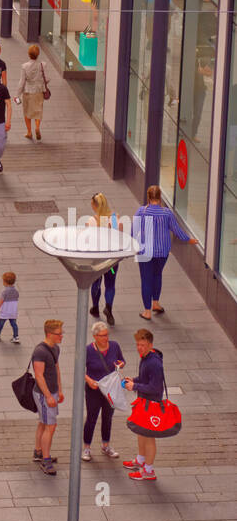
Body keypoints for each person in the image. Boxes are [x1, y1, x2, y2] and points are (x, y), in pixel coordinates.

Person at [131, 184, 198, 319]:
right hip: (162, 252)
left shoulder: (141, 212)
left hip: (145, 252)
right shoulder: (167, 213)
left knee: (146, 279)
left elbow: (133, 232)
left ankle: (147, 311)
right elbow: (177, 230)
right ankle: (156, 303)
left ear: (148, 197)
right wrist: (189, 240)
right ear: (160, 197)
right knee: (157, 275)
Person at [123, 327, 167, 480]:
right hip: (144, 402)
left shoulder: (154, 363)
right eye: (137, 344)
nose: (139, 348)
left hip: (151, 404)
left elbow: (155, 387)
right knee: (141, 432)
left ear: (150, 344)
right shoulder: (146, 357)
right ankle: (141, 460)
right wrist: (134, 380)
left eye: (142, 345)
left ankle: (149, 470)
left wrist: (134, 386)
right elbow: (145, 378)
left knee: (149, 437)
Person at [82, 321, 124, 462]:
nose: (105, 338)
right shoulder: (88, 350)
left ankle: (106, 445)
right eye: (102, 335)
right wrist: (88, 380)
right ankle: (86, 447)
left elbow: (121, 360)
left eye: (107, 335)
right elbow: (80, 368)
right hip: (94, 388)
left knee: (108, 417)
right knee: (92, 418)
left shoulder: (114, 346)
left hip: (110, 389)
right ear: (95, 336)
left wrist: (120, 364)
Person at [32, 319, 64, 474]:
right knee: (50, 426)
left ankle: (38, 452)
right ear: (49, 334)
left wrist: (60, 390)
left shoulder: (55, 348)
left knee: (44, 423)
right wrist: (48, 396)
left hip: (52, 392)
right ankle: (45, 460)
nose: (61, 336)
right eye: (59, 334)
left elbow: (57, 369)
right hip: (44, 394)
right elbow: (39, 376)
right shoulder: (40, 352)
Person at [87, 192, 120, 324]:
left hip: (97, 260)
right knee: (110, 284)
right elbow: (120, 238)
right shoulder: (115, 218)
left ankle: (95, 307)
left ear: (95, 206)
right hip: (111, 260)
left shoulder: (92, 221)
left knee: (96, 283)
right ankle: (109, 308)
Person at [15, 42, 48, 141]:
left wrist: (17, 95)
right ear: (38, 54)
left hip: (28, 91)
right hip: (39, 91)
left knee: (27, 112)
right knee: (38, 110)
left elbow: (22, 82)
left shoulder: (24, 66)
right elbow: (47, 78)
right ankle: (37, 127)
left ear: (29, 54)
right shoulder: (43, 65)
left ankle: (29, 132)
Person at [0, 270, 20, 342]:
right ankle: (16, 337)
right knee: (14, 324)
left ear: (5, 282)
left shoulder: (4, 292)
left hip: (5, 311)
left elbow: (0, 302)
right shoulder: (16, 291)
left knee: (1, 323)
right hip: (13, 311)